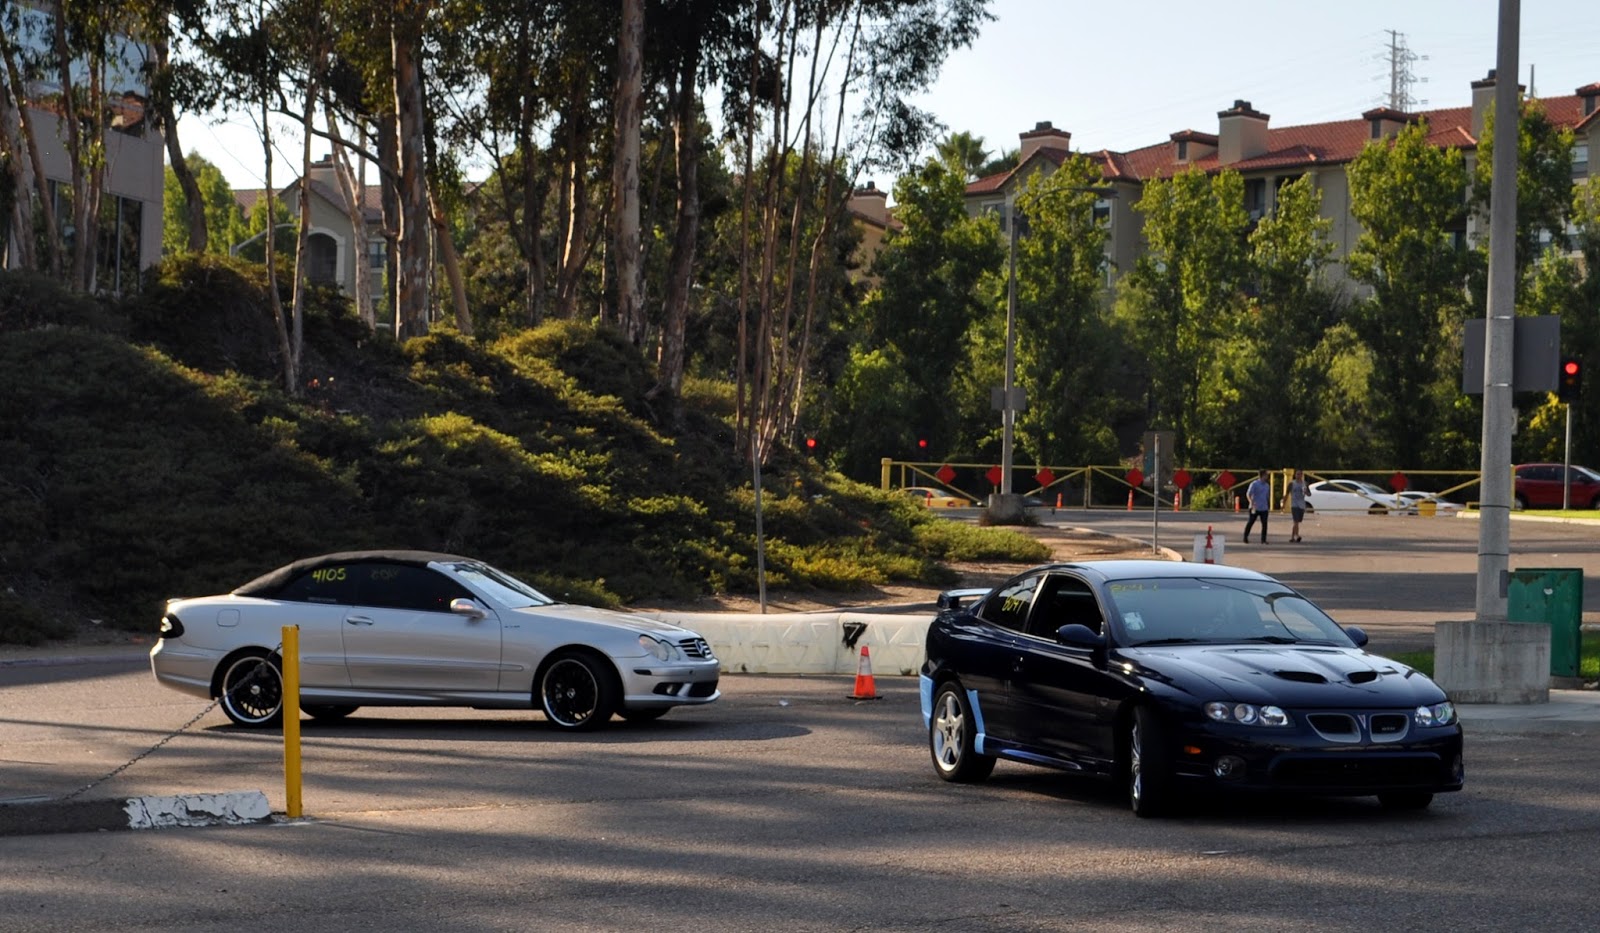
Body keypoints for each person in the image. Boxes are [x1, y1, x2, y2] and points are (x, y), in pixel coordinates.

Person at [1242, 469, 1271, 544]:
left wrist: (1268, 505)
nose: (1267, 476)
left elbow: (1267, 496)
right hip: (1255, 506)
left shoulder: (1267, 485)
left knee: (1264, 524)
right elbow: (1248, 494)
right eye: (1266, 475)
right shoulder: (1254, 484)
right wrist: (1251, 502)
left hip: (1264, 507)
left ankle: (1263, 539)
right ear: (1262, 475)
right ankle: (1245, 537)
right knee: (1251, 522)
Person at [1286, 469, 1308, 542]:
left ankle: (1292, 537)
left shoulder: (1304, 483)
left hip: (1301, 504)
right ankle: (1297, 535)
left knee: (1297, 521)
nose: (1298, 476)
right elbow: (1287, 494)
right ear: (1295, 475)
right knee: (1295, 521)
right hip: (1294, 504)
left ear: (1302, 475)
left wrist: (1306, 492)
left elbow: (1309, 494)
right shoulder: (1292, 483)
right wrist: (1284, 504)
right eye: (1297, 474)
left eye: (1300, 474)